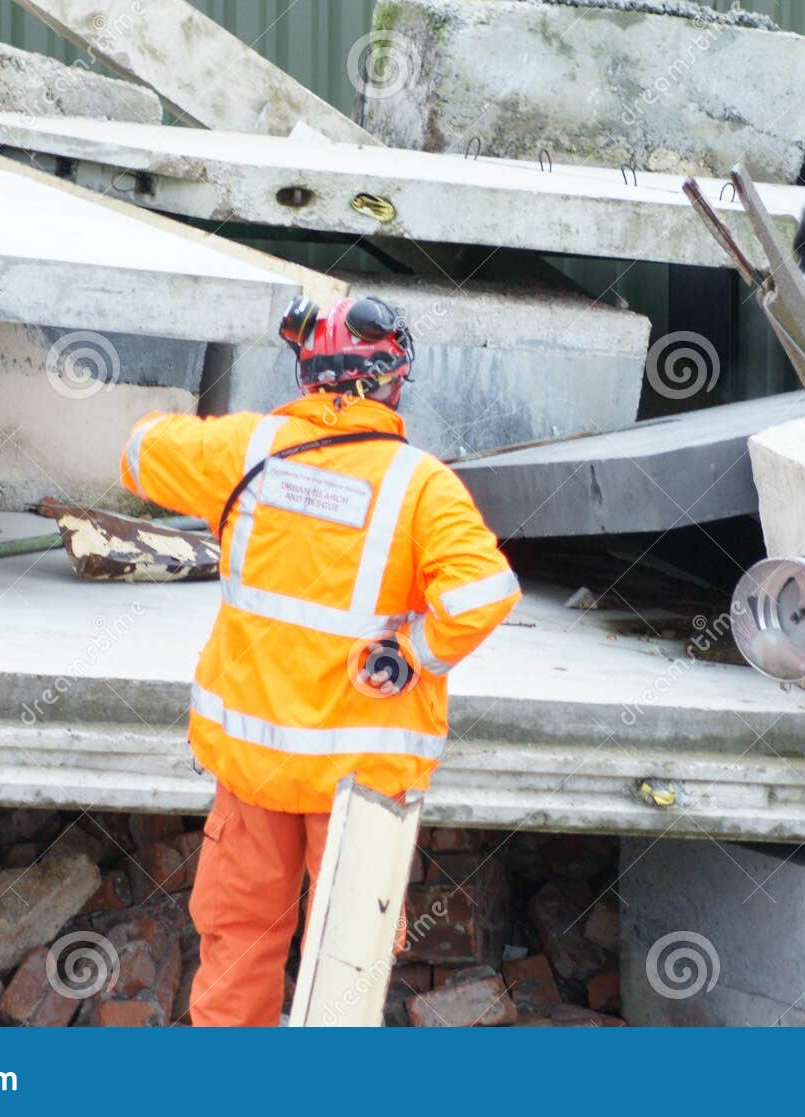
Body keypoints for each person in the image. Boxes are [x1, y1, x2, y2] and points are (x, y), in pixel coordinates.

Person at [119, 294, 520, 1025]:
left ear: (307, 375)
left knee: (239, 945)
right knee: (348, 967)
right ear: (395, 379)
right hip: (360, 780)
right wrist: (413, 652)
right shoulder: (419, 485)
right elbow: (485, 590)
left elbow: (140, 450)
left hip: (254, 768)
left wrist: (252, 441)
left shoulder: (248, 452)